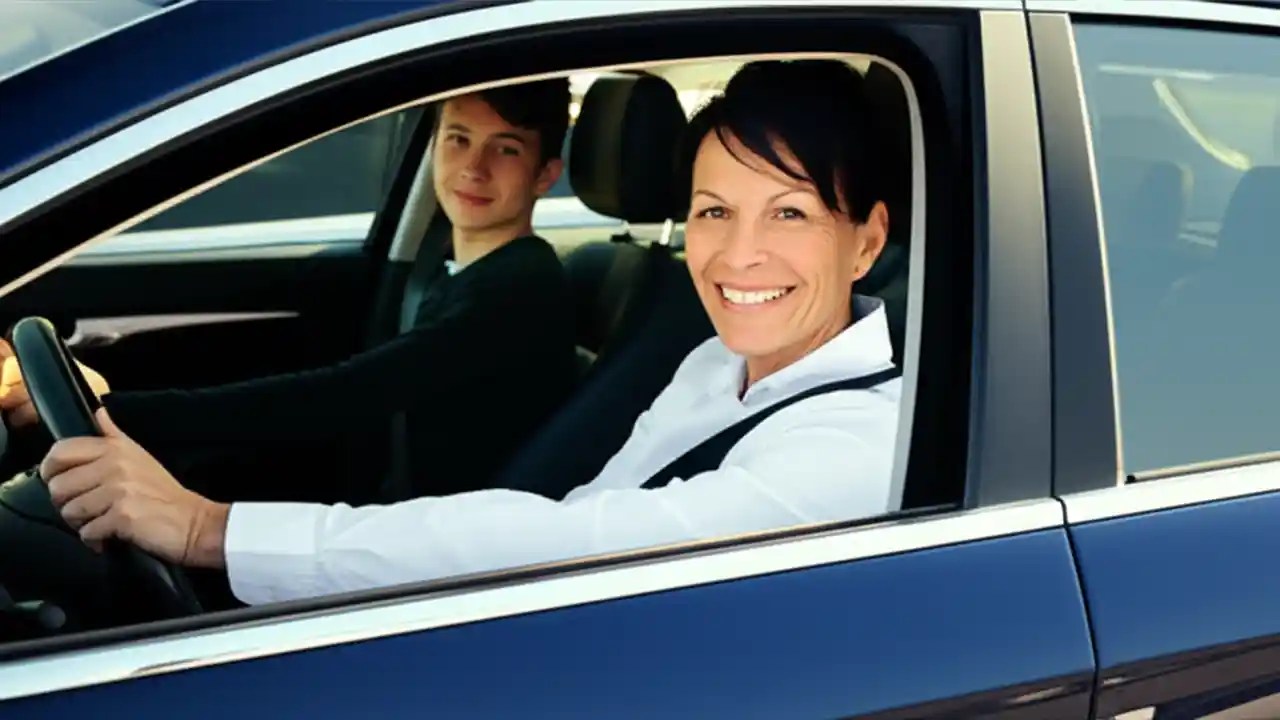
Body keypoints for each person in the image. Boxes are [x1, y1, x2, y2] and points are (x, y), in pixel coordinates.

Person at [35, 59, 902, 606]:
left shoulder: (857, 441)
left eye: (789, 213)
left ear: (867, 239)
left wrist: (207, 530)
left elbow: (582, 543)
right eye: (714, 211)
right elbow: (588, 512)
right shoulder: (718, 358)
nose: (739, 255)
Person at [1, 79, 580, 505]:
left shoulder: (519, 293)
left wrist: (109, 413)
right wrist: (107, 388)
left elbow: (347, 392)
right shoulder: (458, 273)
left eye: (505, 148)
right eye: (458, 139)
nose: (473, 168)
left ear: (545, 174)